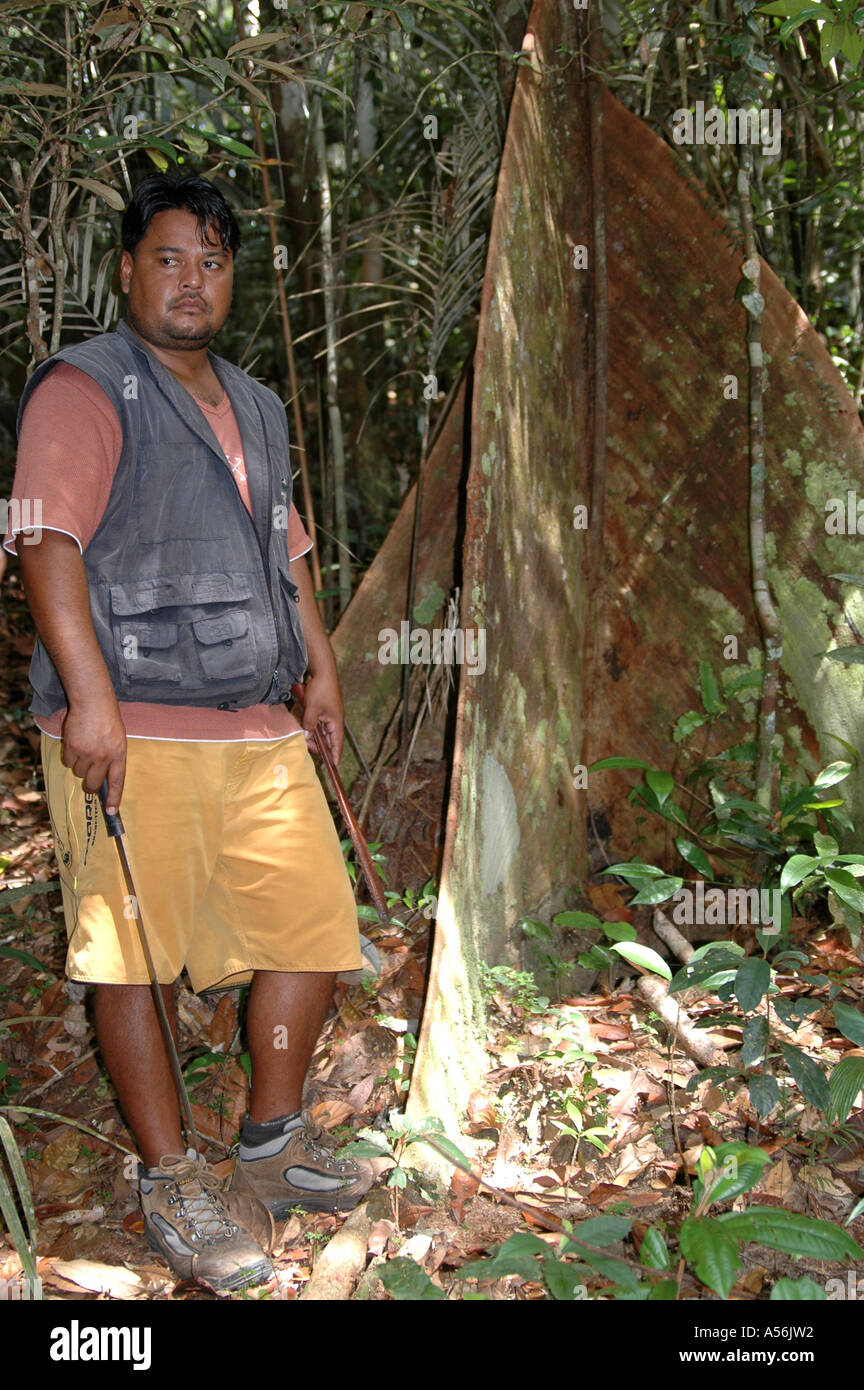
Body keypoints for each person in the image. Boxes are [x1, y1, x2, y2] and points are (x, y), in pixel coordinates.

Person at [4, 174, 372, 1293]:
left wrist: (322, 671)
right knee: (133, 952)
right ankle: (170, 1176)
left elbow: (289, 551)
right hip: (136, 722)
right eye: (168, 259)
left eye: (211, 263)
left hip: (255, 724)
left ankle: (270, 1134)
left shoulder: (255, 403)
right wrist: (91, 695)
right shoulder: (85, 387)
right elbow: (46, 542)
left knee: (313, 926)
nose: (190, 282)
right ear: (128, 270)